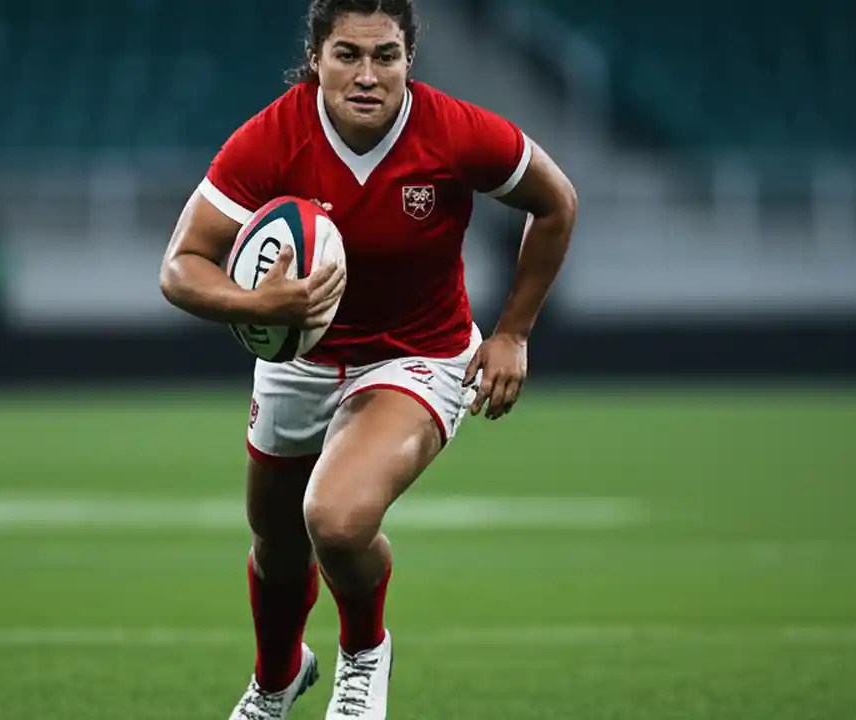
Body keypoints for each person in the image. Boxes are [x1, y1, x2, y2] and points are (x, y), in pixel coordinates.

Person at [159, 1, 577, 717]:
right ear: (316, 57)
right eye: (348, 54)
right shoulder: (273, 137)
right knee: (278, 543)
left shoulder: (454, 132)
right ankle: (276, 679)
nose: (367, 73)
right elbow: (181, 266)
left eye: (385, 55)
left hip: (419, 356)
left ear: (409, 60)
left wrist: (512, 333)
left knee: (338, 518)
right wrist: (259, 307)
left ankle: (364, 656)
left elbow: (556, 202)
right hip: (301, 357)